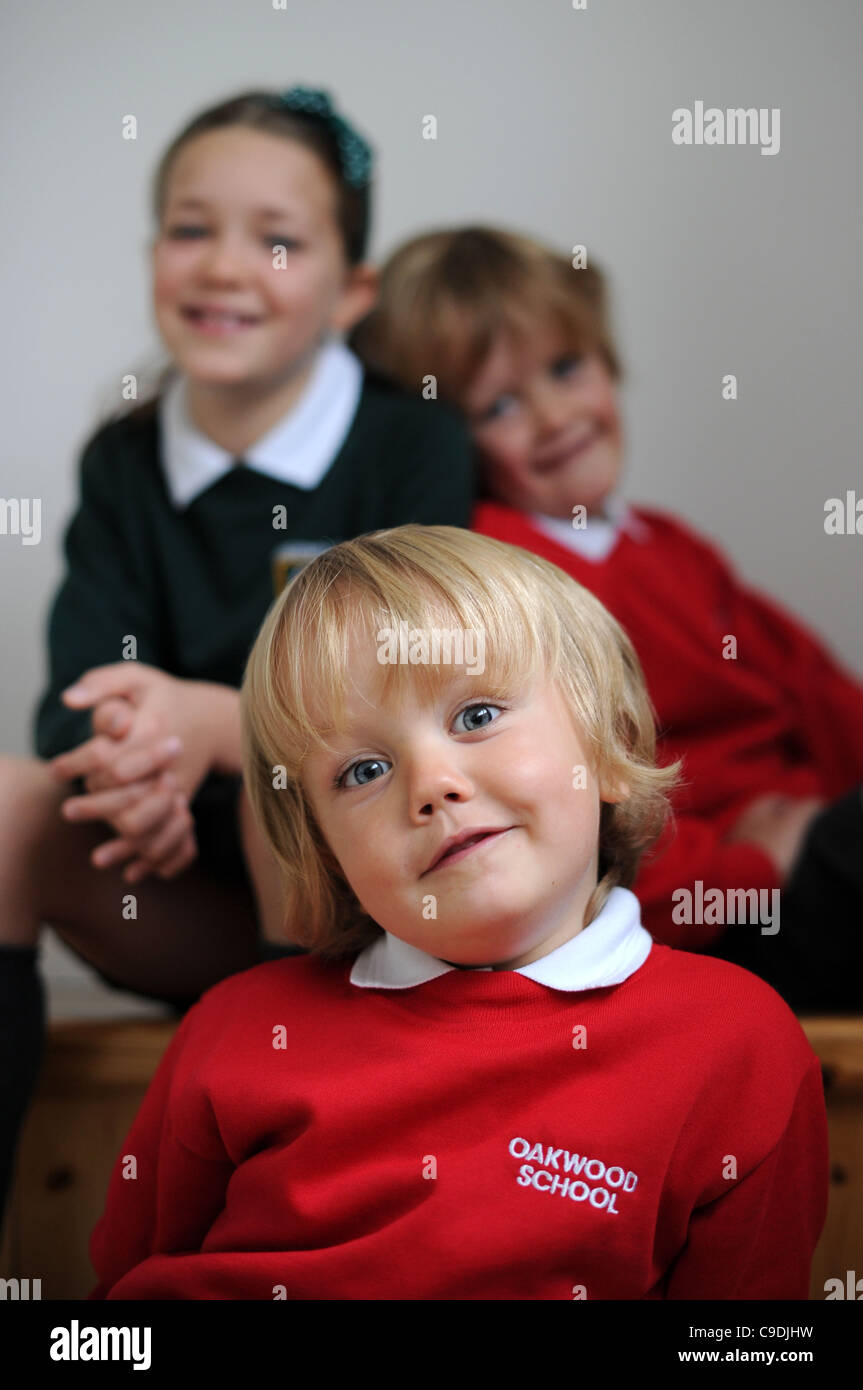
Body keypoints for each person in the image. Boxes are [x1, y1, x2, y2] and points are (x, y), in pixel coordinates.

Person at [88, 525, 827, 1300]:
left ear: (605, 748)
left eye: (476, 716)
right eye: (364, 770)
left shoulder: (734, 1045)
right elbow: (120, 1295)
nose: (432, 783)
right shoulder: (232, 1029)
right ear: (326, 853)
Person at [0, 88, 473, 1236]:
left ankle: (305, 1201)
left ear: (350, 290)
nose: (222, 266)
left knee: (295, 754)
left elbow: (417, 691)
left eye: (275, 238)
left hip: (361, 895)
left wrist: (211, 725)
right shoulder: (124, 460)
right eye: (188, 226)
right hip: (184, 889)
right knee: (7, 802)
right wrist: (133, 768)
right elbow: (74, 692)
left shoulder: (407, 444)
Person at [349, 226, 863, 1011]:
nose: (555, 417)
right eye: (501, 405)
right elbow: (579, 814)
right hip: (724, 918)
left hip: (812, 847)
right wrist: (755, 868)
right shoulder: (502, 577)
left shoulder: (670, 544)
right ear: (446, 444)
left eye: (566, 367)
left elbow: (812, 688)